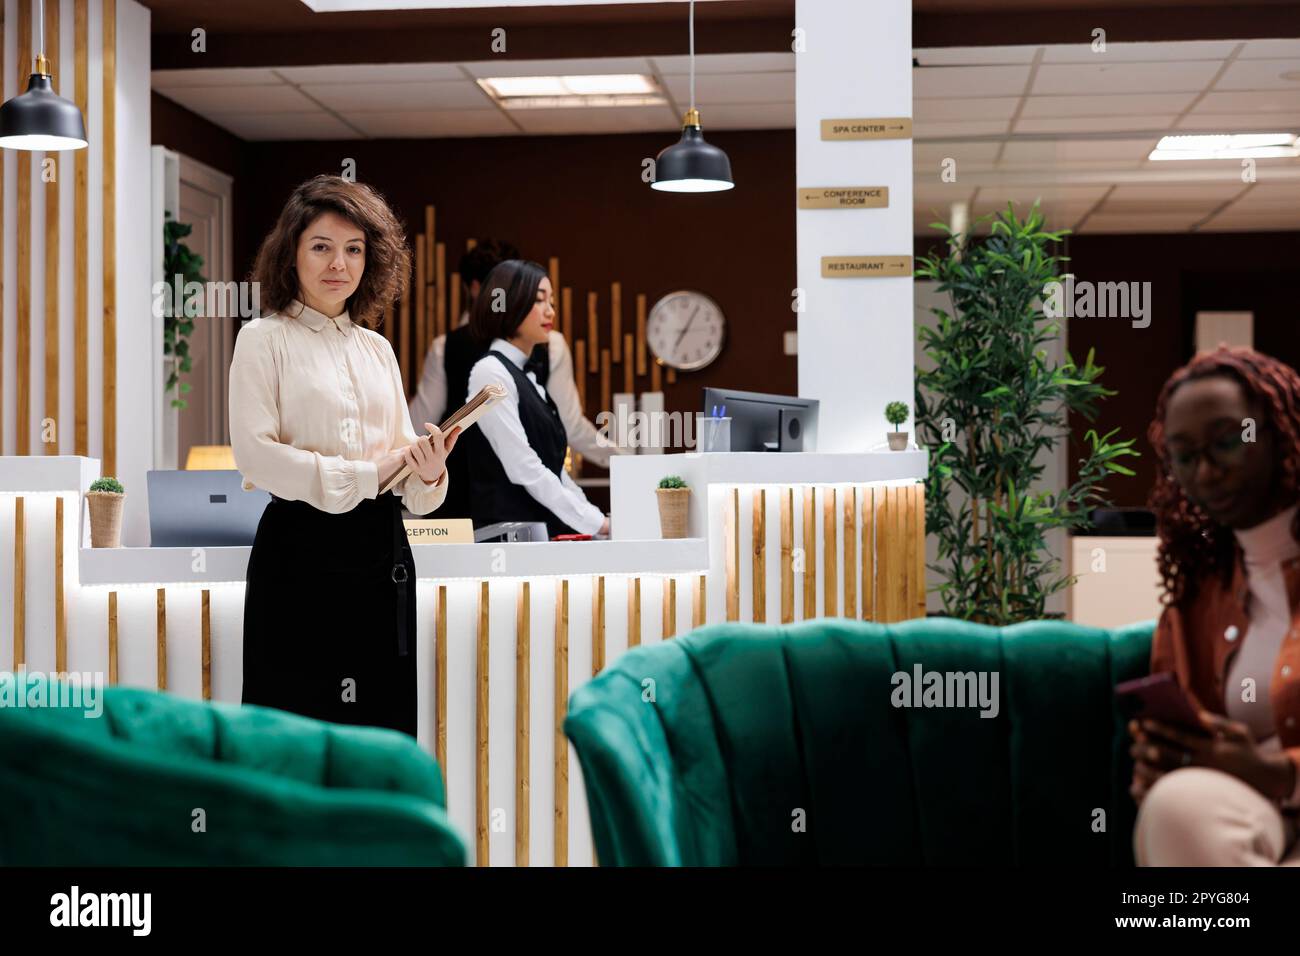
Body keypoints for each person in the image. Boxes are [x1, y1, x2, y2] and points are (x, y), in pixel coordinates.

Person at [229, 174, 459, 737]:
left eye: (354, 249)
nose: (340, 264)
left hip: (382, 556)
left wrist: (428, 471)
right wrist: (365, 475)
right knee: (292, 732)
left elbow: (402, 469)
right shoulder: (263, 339)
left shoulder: (377, 348)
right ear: (292, 254)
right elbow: (256, 457)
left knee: (381, 732)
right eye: (322, 247)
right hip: (300, 552)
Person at [1131, 345, 1300, 865]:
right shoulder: (1196, 595)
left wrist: (1282, 773)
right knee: (1176, 808)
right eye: (1185, 455)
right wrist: (1169, 756)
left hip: (1278, 788)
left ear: (1280, 432)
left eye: (1227, 442)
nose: (1206, 471)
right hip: (1257, 812)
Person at [407, 240, 617, 519]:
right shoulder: (462, 354)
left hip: (512, 506)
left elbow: (418, 425)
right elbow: (420, 429)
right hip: (460, 498)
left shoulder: (451, 346)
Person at [462, 259, 608, 538]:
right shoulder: (490, 372)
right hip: (506, 540)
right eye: (539, 300)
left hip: (538, 536)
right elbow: (524, 468)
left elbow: (554, 470)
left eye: (551, 301)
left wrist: (596, 520)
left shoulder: (527, 374)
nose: (550, 311)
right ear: (512, 303)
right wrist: (597, 524)